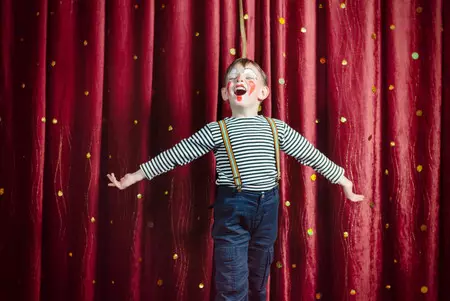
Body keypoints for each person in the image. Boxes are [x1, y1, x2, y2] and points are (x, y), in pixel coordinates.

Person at [107, 58, 365, 301]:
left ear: (263, 93)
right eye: (234, 77)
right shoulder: (216, 130)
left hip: (268, 209)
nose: (240, 79)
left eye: (249, 76)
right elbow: (176, 155)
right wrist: (133, 176)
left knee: (258, 279)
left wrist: (343, 180)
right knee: (232, 282)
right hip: (232, 209)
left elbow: (311, 155)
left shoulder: (278, 128)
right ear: (225, 93)